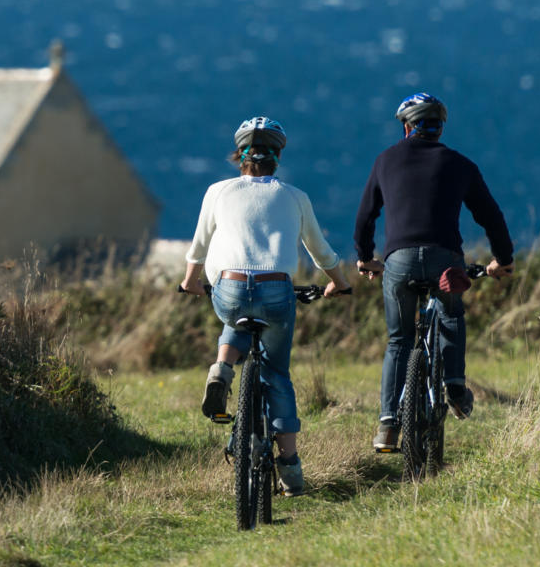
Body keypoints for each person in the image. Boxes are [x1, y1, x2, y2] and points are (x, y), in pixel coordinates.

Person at [181, 117, 355, 496]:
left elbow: (198, 246)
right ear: (277, 157)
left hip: (228, 286)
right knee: (276, 373)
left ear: (238, 157)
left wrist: (191, 282)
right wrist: (338, 284)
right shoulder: (294, 196)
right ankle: (290, 468)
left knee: (233, 315)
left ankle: (223, 368)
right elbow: (321, 252)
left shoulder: (217, 191)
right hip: (277, 291)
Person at [352, 92, 514, 454]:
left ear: (407, 127)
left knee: (399, 340)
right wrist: (502, 259)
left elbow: (365, 217)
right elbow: (491, 216)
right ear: (439, 127)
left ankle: (388, 424)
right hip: (446, 263)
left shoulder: (385, 161)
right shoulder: (460, 164)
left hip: (399, 263)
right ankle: (455, 388)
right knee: (452, 314)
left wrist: (365, 258)